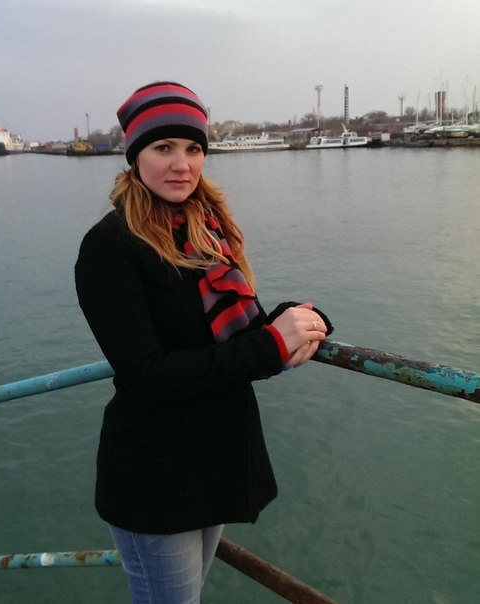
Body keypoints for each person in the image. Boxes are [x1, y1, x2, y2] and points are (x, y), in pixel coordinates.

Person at [74, 81, 333, 604]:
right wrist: (272, 345)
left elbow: (235, 338)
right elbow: (148, 374)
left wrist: (298, 321)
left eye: (193, 148)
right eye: (163, 147)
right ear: (135, 156)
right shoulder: (110, 247)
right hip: (156, 477)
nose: (182, 164)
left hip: (213, 464)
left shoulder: (205, 232)